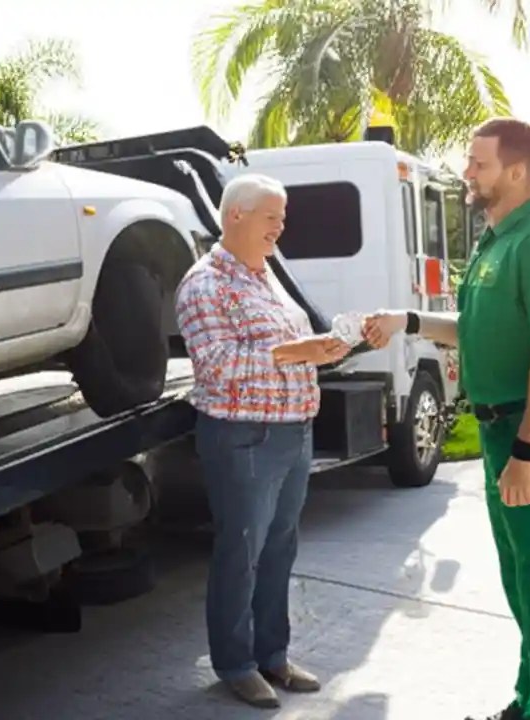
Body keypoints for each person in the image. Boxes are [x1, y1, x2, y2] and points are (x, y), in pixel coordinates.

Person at [363, 117, 530, 720]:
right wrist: (407, 321)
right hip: (501, 432)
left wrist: (527, 453)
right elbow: (477, 329)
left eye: (479, 163)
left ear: (517, 172)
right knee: (523, 580)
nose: (467, 172)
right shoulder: (497, 241)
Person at [175, 172, 350, 709]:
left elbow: (284, 345)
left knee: (279, 549)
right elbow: (219, 365)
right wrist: (299, 353)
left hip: (293, 431)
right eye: (272, 216)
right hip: (244, 437)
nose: (281, 226)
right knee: (242, 552)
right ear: (236, 216)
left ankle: (273, 655)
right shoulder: (204, 284)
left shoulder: (264, 274)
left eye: (282, 216)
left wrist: (325, 347)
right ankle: (235, 664)